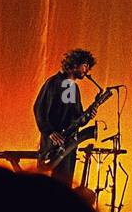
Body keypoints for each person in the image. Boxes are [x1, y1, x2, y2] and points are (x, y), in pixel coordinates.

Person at [33, 48, 97, 188]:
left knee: (64, 185)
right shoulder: (53, 83)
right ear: (74, 64)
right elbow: (39, 109)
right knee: (51, 186)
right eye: (85, 65)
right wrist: (49, 131)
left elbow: (76, 119)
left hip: (69, 145)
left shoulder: (73, 88)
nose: (87, 70)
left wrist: (88, 115)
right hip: (53, 146)